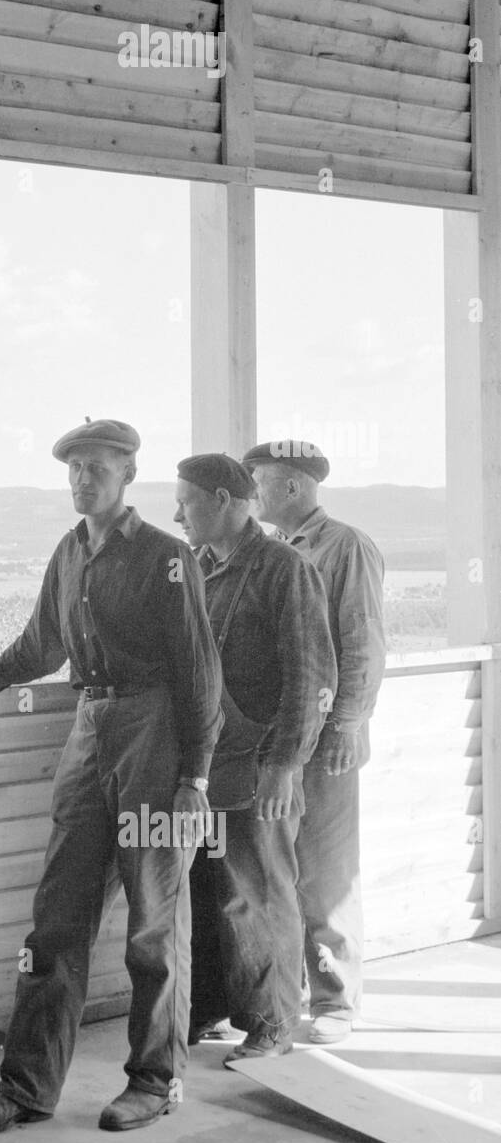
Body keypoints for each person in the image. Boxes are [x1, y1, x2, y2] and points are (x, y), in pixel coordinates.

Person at [0, 419, 222, 1135]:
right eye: (74, 468)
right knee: (55, 920)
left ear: (128, 474)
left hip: (155, 735)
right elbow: (42, 641)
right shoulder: (68, 552)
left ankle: (154, 1080)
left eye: (96, 467)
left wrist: (193, 776)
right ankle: (25, 1088)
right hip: (90, 729)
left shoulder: (166, 557)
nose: (82, 479)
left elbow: (198, 672)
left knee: (153, 923)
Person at [173, 453, 336, 1062]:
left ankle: (273, 1023)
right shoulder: (194, 567)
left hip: (262, 764)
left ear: (222, 500)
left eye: (186, 501)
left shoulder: (283, 569)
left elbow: (311, 675)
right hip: (208, 764)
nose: (176, 513)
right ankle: (215, 1009)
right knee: (210, 885)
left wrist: (283, 765)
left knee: (260, 890)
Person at [243, 441, 386, 1044]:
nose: (254, 495)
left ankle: (335, 1003)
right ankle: (283, 996)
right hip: (283, 739)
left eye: (261, 483)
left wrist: (348, 725)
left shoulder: (344, 547)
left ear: (293, 489)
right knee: (282, 870)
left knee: (326, 872)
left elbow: (362, 643)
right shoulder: (274, 551)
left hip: (326, 739)